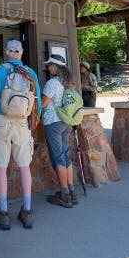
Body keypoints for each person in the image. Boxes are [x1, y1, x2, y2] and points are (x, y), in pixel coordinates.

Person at [0, 39, 41, 230]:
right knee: (25, 166)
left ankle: (3, 213)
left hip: (1, 122)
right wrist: (32, 123)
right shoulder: (30, 72)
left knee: (1, 167)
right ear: (22, 52)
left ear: (8, 52)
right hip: (22, 124)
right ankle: (26, 211)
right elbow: (37, 103)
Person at [42, 54, 77, 208]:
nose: (48, 67)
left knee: (58, 158)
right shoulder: (67, 83)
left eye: (49, 65)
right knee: (65, 155)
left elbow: (43, 104)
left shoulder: (52, 83)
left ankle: (64, 195)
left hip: (53, 122)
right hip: (66, 122)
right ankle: (71, 191)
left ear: (55, 67)